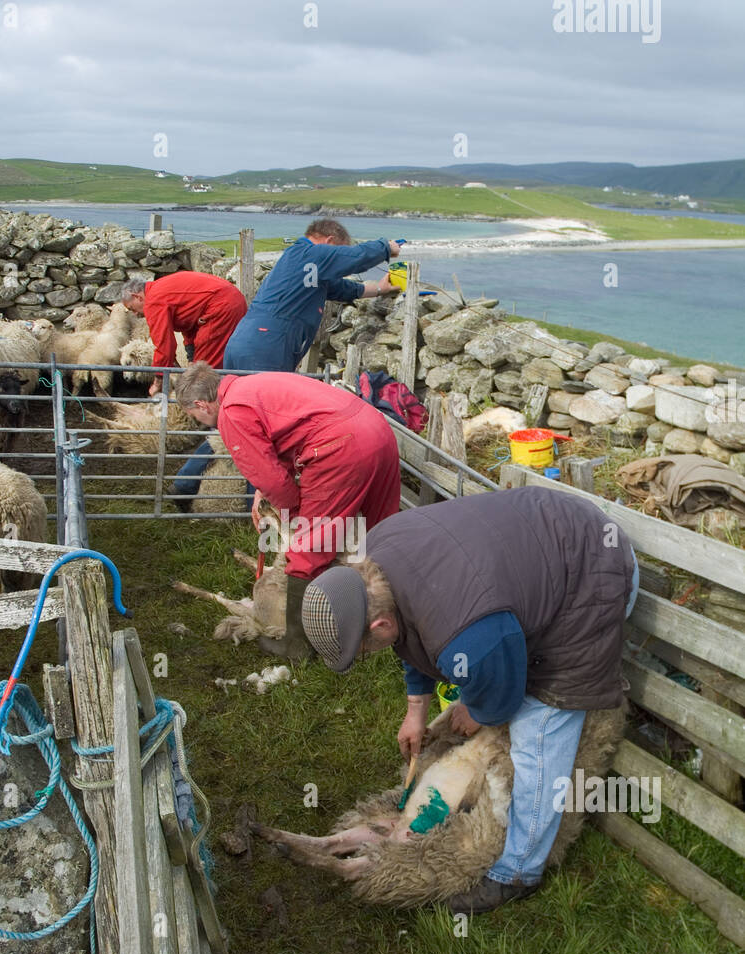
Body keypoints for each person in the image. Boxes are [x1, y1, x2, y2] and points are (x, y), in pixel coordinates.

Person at [298, 488, 641, 914]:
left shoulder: (467, 631)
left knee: (538, 731)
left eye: (366, 648)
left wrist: (475, 710)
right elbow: (412, 632)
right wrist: (416, 709)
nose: (371, 654)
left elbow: (498, 697)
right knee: (489, 660)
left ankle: (517, 873)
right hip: (547, 540)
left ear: (379, 622)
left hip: (593, 573)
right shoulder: (375, 562)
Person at [175, 362, 402, 657]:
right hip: (377, 432)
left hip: (339, 447)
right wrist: (262, 490)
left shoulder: (231, 413)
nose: (201, 423)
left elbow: (279, 487)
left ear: (201, 404)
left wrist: (295, 518)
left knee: (308, 548)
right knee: (375, 532)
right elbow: (278, 445)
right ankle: (395, 623)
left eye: (195, 417)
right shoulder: (252, 384)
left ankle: (297, 643)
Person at [222, 219, 402, 374]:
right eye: (337, 252)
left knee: (238, 407)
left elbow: (343, 288)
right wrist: (386, 247)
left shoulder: (306, 266)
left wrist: (379, 288)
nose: (336, 262)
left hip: (246, 341)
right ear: (329, 242)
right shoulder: (310, 252)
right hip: (266, 346)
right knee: (266, 408)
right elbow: (355, 257)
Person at [121, 273, 247, 395]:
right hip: (231, 300)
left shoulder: (153, 301)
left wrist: (158, 380)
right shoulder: (160, 290)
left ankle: (213, 409)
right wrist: (191, 358)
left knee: (203, 375)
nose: (135, 314)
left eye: (132, 308)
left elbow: (164, 345)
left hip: (222, 307)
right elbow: (189, 324)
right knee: (219, 364)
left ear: (137, 296)